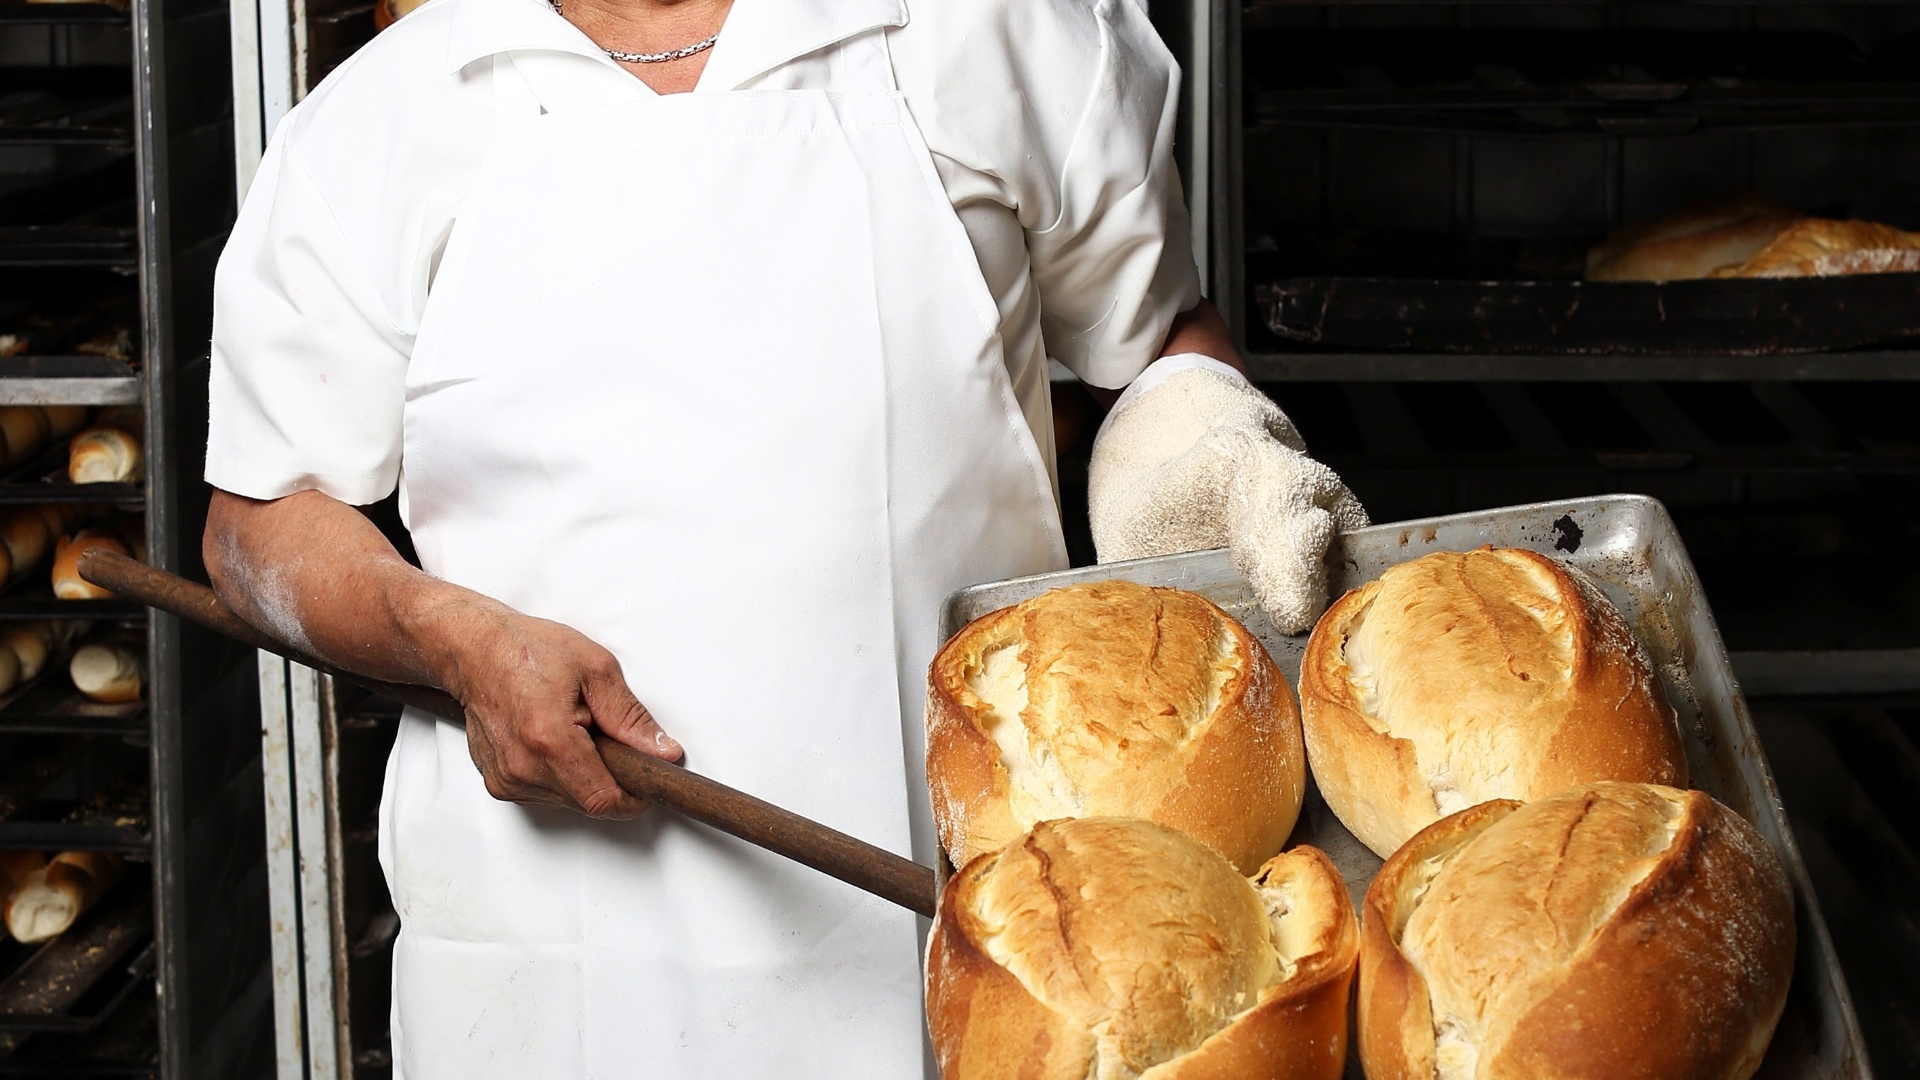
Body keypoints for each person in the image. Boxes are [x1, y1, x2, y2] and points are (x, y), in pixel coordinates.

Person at [202, 0, 1365, 1075]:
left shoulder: (988, 30)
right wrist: (447, 636)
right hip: (553, 954)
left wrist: (1211, 457)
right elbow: (259, 522)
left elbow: (1155, 338)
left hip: (994, 917)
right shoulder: (378, 122)